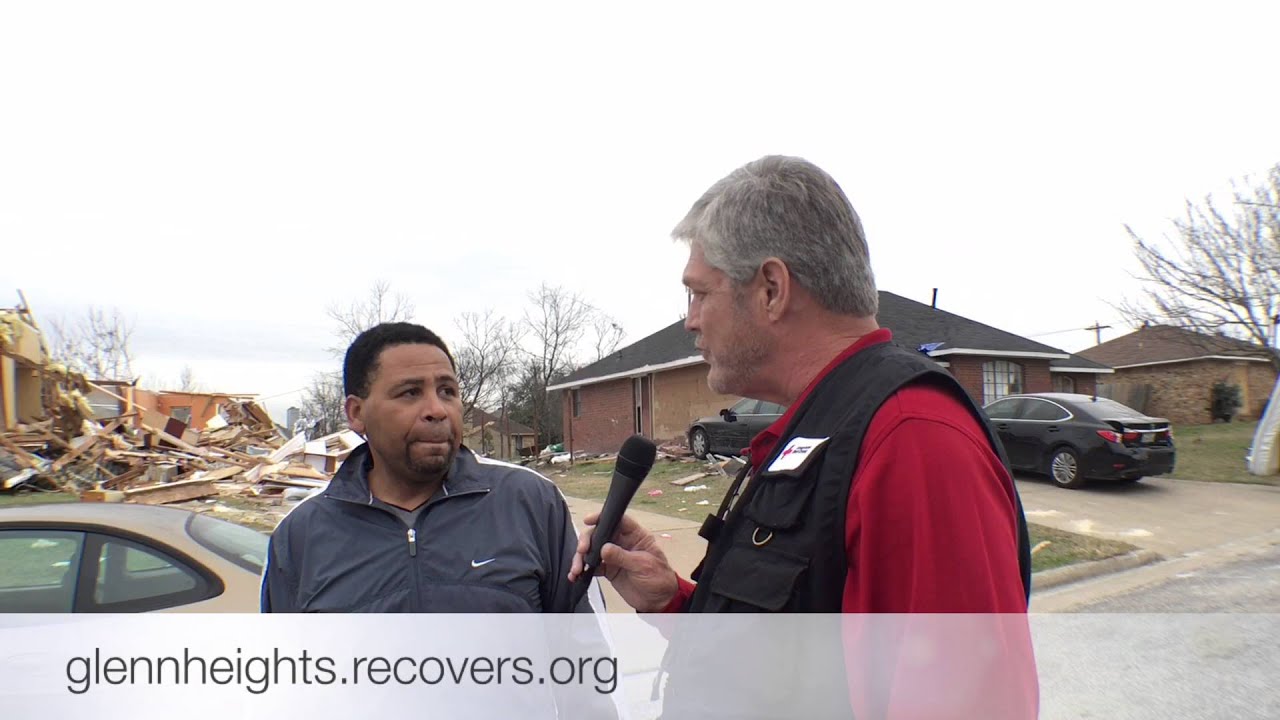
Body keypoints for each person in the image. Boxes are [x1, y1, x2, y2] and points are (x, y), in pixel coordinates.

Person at [569, 156, 1038, 718]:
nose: (690, 320)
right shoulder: (813, 433)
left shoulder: (913, 441)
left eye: (699, 293)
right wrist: (670, 600)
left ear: (771, 289)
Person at [262, 322, 605, 614]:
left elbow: (586, 652)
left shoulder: (530, 502)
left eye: (447, 391)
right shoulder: (300, 536)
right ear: (356, 413)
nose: (437, 410)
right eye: (410, 393)